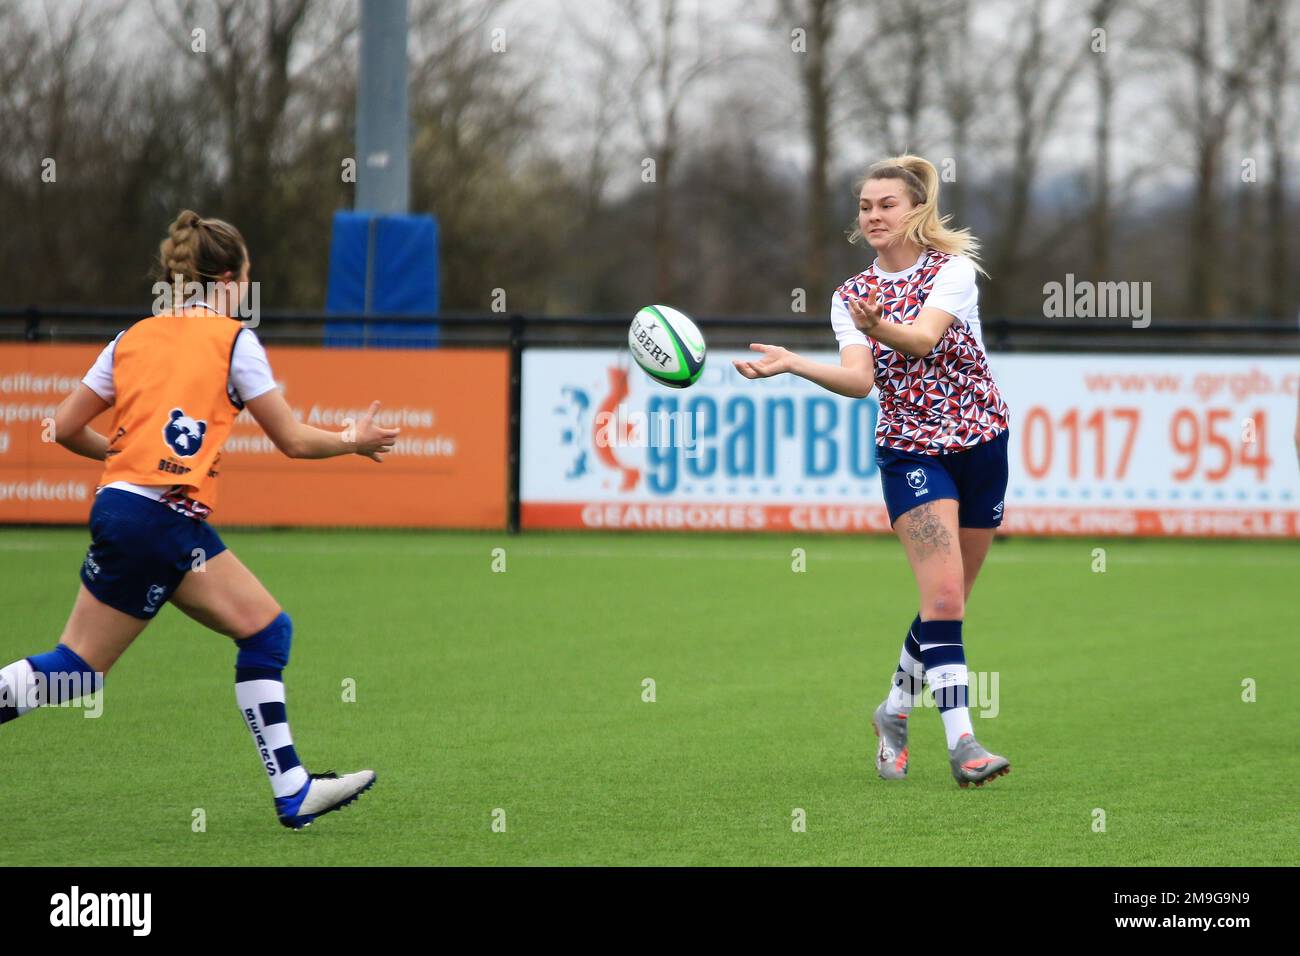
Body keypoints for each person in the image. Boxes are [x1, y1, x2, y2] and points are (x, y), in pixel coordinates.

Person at [0, 210, 400, 826]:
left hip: (130, 510)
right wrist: (354, 438)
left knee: (258, 630)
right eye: (247, 277)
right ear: (231, 279)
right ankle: (292, 790)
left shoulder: (133, 336)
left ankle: (293, 788)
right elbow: (291, 439)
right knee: (81, 669)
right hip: (161, 519)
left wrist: (127, 456)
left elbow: (63, 426)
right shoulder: (235, 340)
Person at [734, 155, 1011, 788]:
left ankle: (892, 711)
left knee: (949, 604)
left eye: (886, 204)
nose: (873, 215)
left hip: (983, 444)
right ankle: (964, 744)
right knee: (942, 598)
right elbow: (861, 382)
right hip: (912, 452)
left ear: (916, 210)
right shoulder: (849, 296)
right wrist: (793, 364)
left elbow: (920, 340)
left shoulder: (954, 272)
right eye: (864, 206)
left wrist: (878, 323)